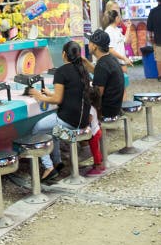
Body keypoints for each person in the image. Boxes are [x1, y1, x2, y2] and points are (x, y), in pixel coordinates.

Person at [29, 41, 100, 181]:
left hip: (69, 119)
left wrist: (39, 96)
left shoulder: (61, 71)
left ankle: (48, 167)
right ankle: (57, 162)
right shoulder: (83, 70)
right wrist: (49, 94)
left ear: (63, 54)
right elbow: (71, 94)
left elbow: (58, 100)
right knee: (53, 131)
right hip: (83, 119)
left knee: (37, 129)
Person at [83, 29, 125, 119]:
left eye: (89, 42)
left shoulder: (102, 65)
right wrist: (86, 62)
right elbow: (102, 75)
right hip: (116, 107)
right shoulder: (110, 59)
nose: (88, 45)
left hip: (107, 111)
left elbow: (97, 96)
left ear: (94, 46)